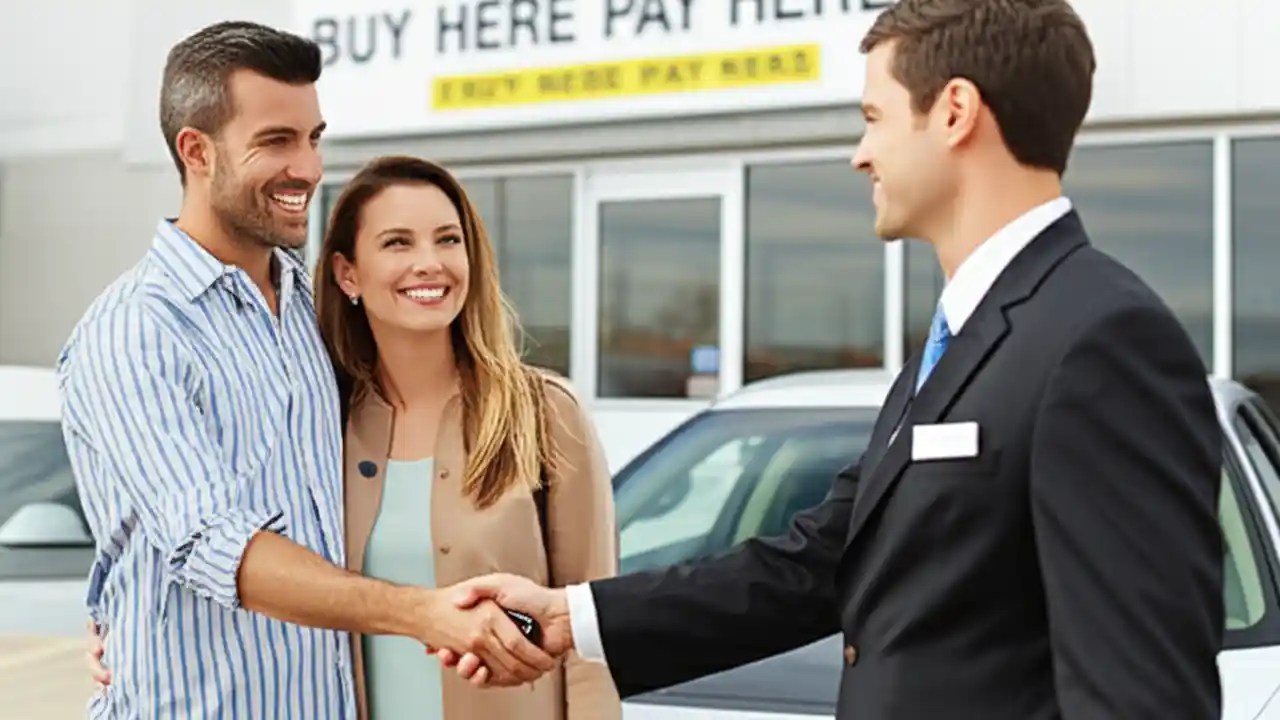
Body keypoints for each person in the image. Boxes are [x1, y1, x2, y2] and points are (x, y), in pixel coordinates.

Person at [439, 1, 1226, 718]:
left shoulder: (1102, 341)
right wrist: (572, 617)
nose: (860, 155)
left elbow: (1141, 697)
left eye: (874, 118)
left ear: (954, 111)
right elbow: (819, 563)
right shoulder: (964, 338)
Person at [62, 21, 554, 719]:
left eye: (314, 138)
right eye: (276, 141)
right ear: (196, 151)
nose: (309, 168)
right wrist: (423, 613)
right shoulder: (134, 332)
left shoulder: (305, 310)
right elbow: (210, 543)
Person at [317, 155, 620, 719]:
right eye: (398, 243)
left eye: (448, 240)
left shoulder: (545, 413)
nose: (429, 264)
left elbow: (591, 628)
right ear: (347, 274)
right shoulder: (321, 426)